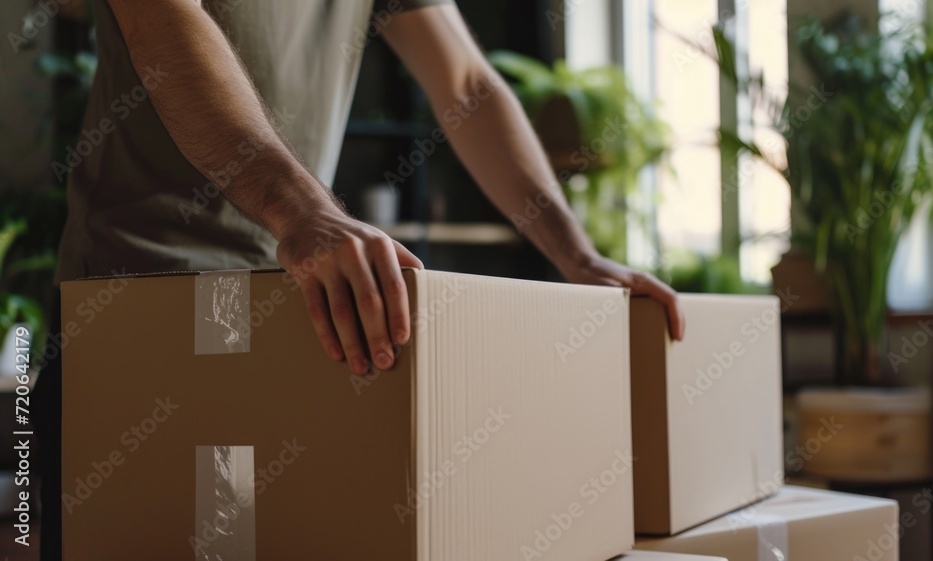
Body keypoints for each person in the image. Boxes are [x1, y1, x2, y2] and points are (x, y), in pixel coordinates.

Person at [34, 0, 685, 557]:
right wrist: (305, 210)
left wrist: (577, 256)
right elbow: (163, 22)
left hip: (283, 312)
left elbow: (465, 84)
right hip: (137, 303)